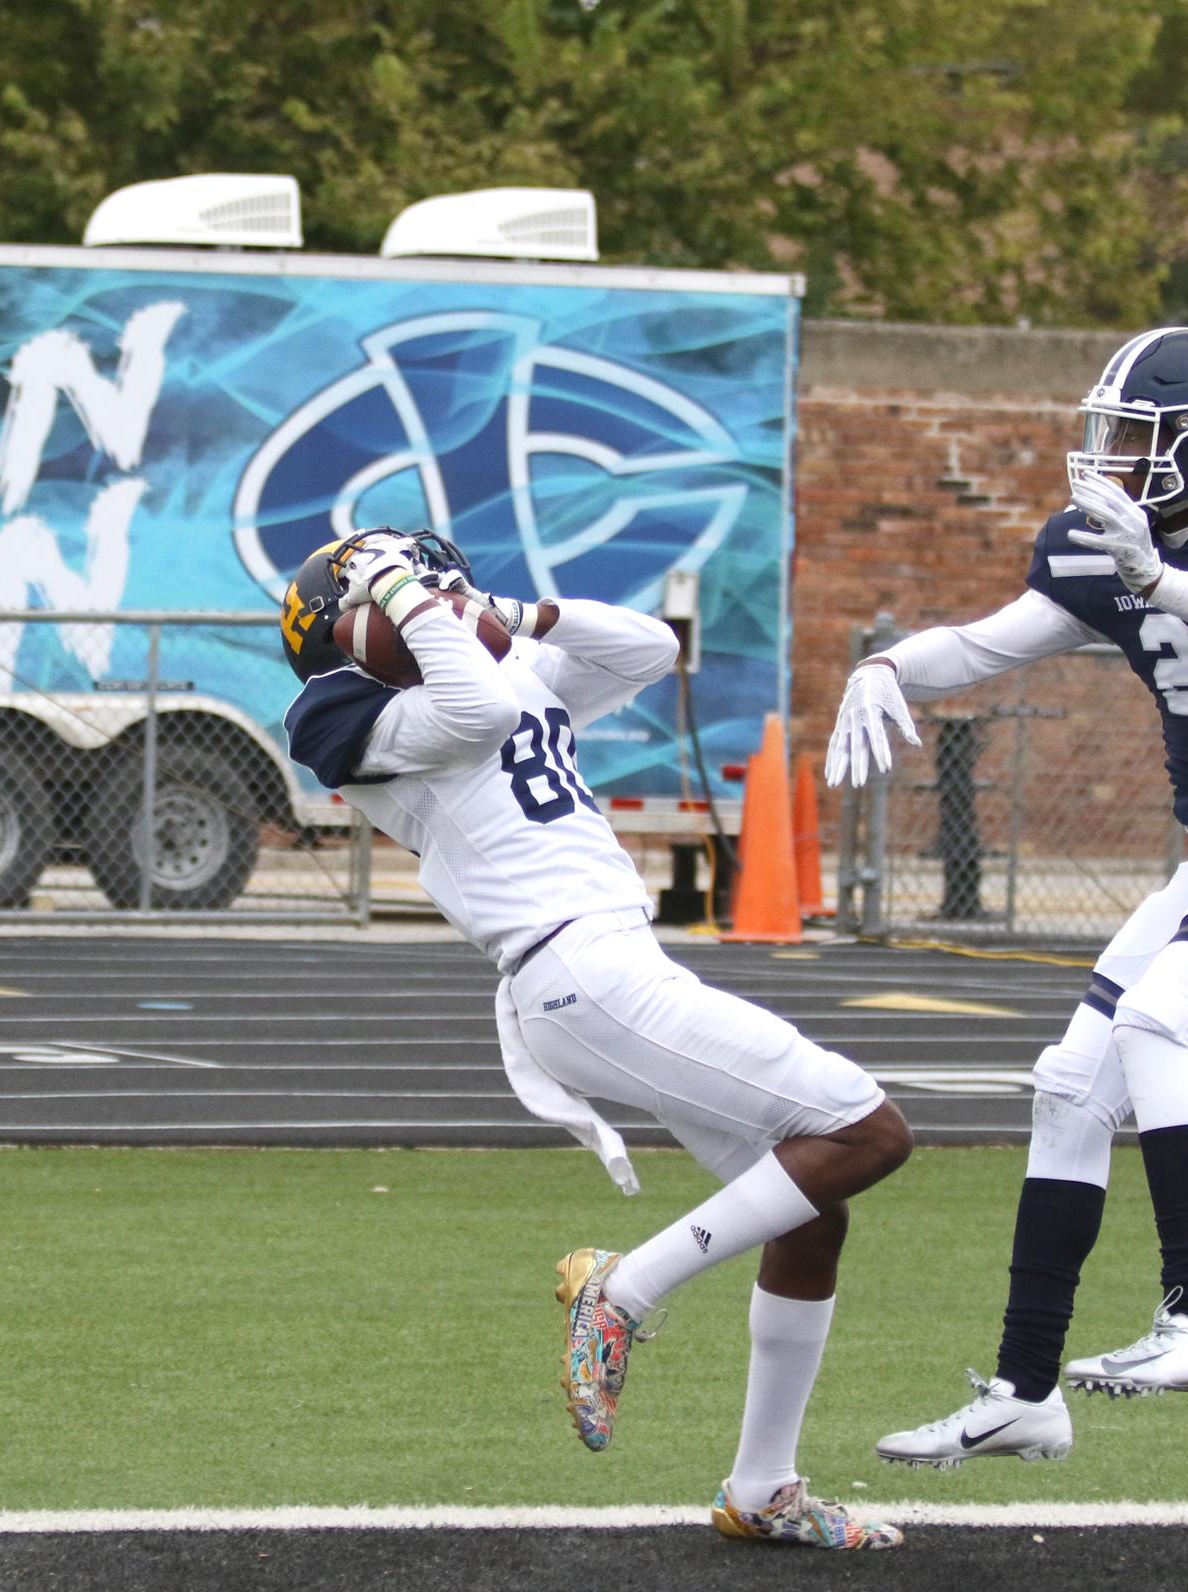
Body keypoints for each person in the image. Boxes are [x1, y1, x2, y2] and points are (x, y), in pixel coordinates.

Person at [281, 528, 911, 1550]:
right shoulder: (344, 711)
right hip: (576, 972)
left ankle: (762, 1489)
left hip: (606, 969)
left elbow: (649, 648)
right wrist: (409, 599)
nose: (440, 601)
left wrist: (516, 616)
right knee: (868, 1130)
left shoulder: (491, 661)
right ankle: (622, 1289)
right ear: (361, 631)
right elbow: (473, 709)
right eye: (408, 596)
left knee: (811, 1211)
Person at [828, 326, 1188, 1469]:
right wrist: (885, 663)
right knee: (1067, 1086)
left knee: (1152, 1021)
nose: (1112, 458)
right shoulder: (1098, 548)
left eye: (1139, 438)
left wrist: (1158, 575)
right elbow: (985, 645)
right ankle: (1023, 1392)